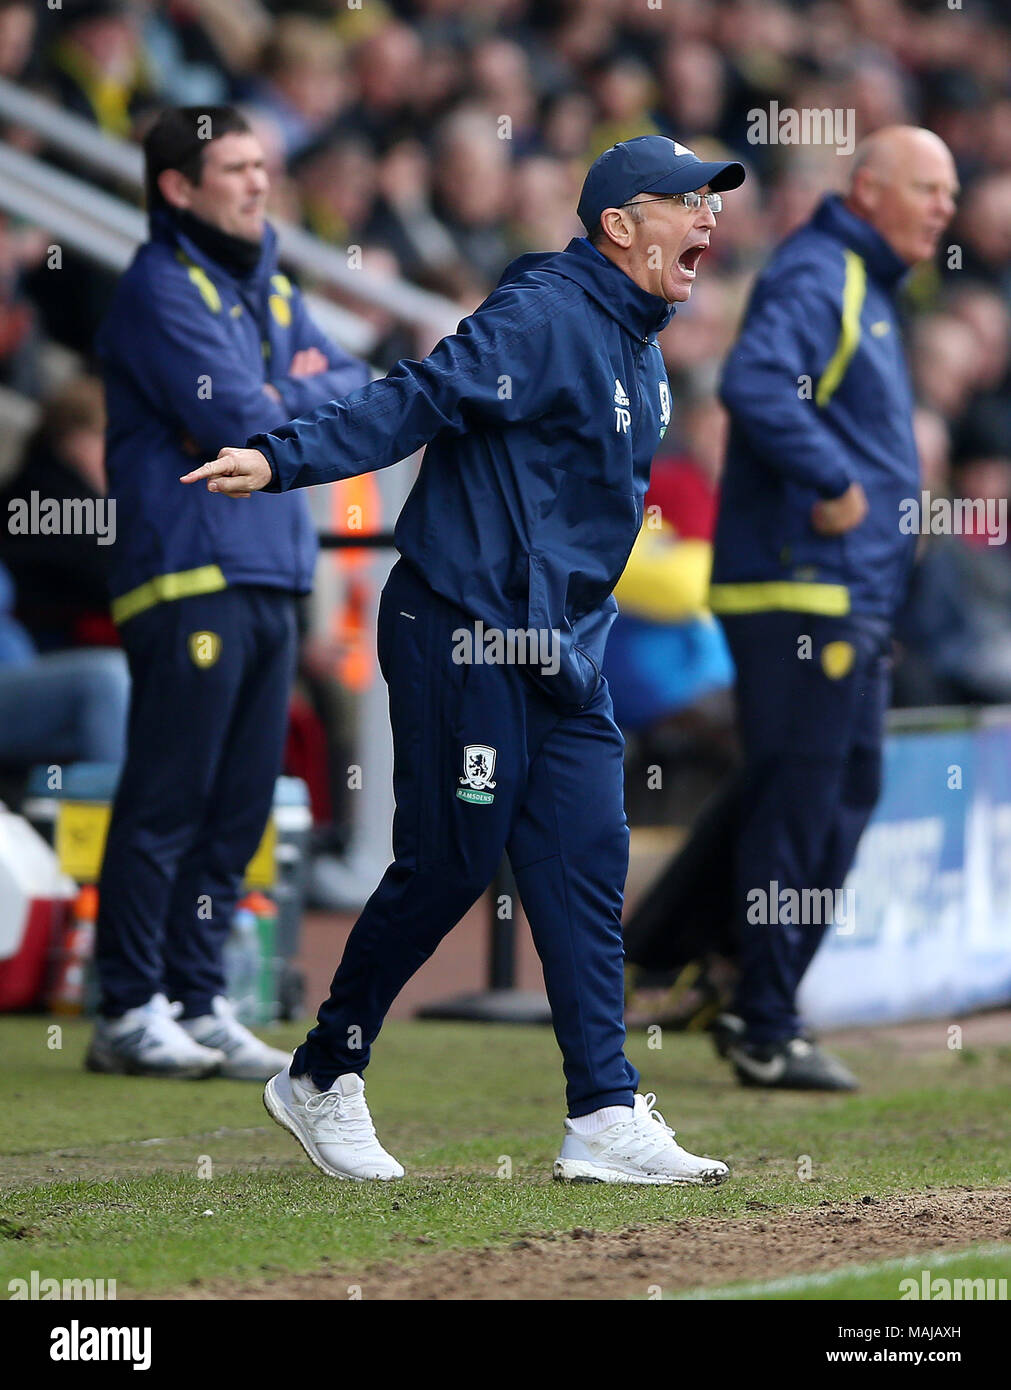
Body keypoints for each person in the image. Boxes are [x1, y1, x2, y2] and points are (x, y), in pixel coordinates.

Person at [184, 135, 745, 1184]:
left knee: (586, 867)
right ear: (619, 225)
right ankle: (322, 1071)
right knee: (449, 860)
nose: (709, 219)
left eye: (712, 202)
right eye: (685, 201)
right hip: (463, 626)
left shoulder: (645, 348)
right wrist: (280, 458)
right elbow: (417, 398)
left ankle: (604, 1113)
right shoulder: (542, 314)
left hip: (563, 653)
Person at [668, 126, 957, 1090]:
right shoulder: (824, 271)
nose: (944, 210)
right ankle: (764, 1019)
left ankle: (697, 958)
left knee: (822, 790)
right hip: (804, 589)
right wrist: (834, 479)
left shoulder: (862, 282)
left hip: (839, 592)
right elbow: (753, 381)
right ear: (868, 189)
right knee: (808, 803)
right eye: (928, 189)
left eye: (953, 194)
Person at [88, 106, 371, 1080]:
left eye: (263, 165)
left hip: (269, 568)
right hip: (188, 570)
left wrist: (287, 391)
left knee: (241, 805)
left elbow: (355, 378)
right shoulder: (160, 287)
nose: (259, 183)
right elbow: (245, 415)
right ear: (178, 186)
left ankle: (198, 999)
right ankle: (128, 1008)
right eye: (236, 168)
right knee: (171, 795)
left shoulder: (268, 285)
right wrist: (289, 389)